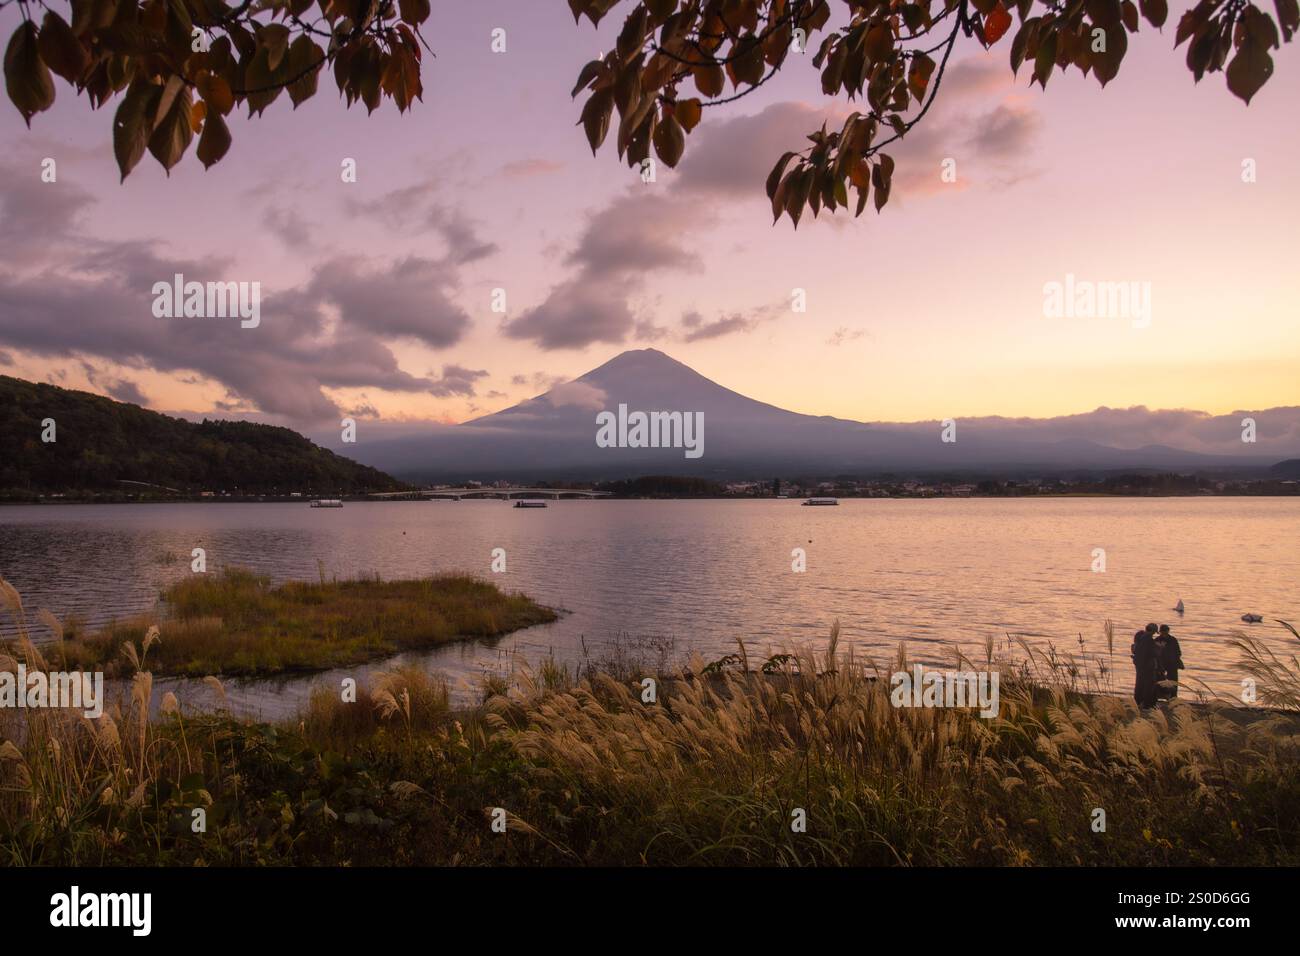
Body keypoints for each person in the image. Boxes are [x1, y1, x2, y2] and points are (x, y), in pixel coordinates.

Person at [1131, 623, 1159, 708]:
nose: (1154, 634)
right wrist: (1159, 648)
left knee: (1139, 683)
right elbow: (1152, 653)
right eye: (1154, 632)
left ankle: (1138, 701)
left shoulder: (1139, 637)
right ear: (1152, 631)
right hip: (1148, 666)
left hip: (1139, 665)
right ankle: (1147, 704)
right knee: (1149, 684)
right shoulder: (1149, 640)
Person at [1154, 624, 1184, 700]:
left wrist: (1175, 660)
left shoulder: (1173, 640)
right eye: (1162, 632)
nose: (1164, 633)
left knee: (1173, 681)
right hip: (1161, 664)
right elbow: (1154, 653)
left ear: (1168, 631)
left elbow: (1178, 652)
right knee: (1160, 681)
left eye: (1165, 631)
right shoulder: (1157, 640)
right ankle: (1159, 696)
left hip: (1172, 664)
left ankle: (1173, 697)